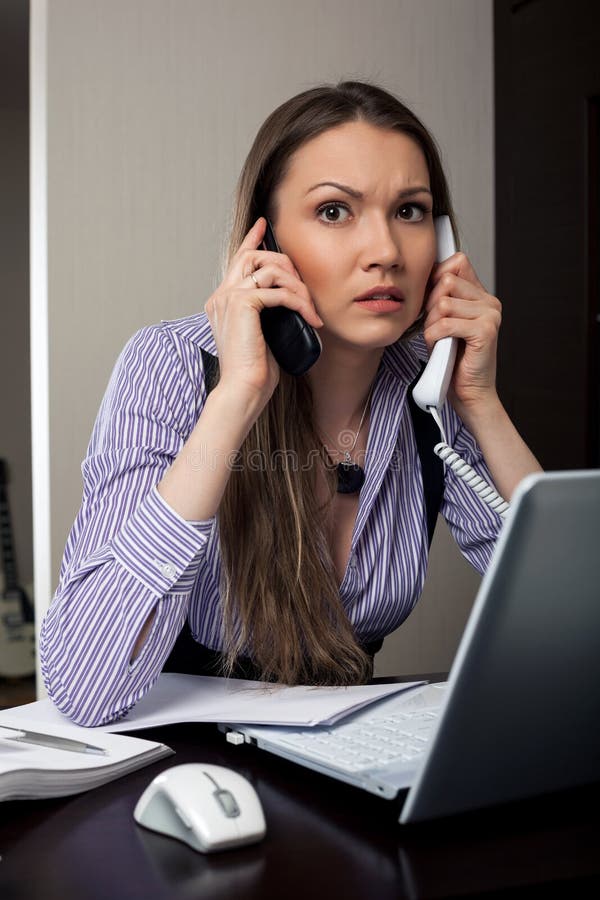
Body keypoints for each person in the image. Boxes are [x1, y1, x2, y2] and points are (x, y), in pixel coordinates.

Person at [40, 80, 541, 727]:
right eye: (335, 211)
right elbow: (84, 690)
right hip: (189, 771)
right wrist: (237, 396)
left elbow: (575, 616)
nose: (385, 252)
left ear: (442, 243)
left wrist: (479, 400)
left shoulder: (431, 392)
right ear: (267, 241)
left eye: (410, 212)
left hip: (346, 765)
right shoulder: (169, 365)